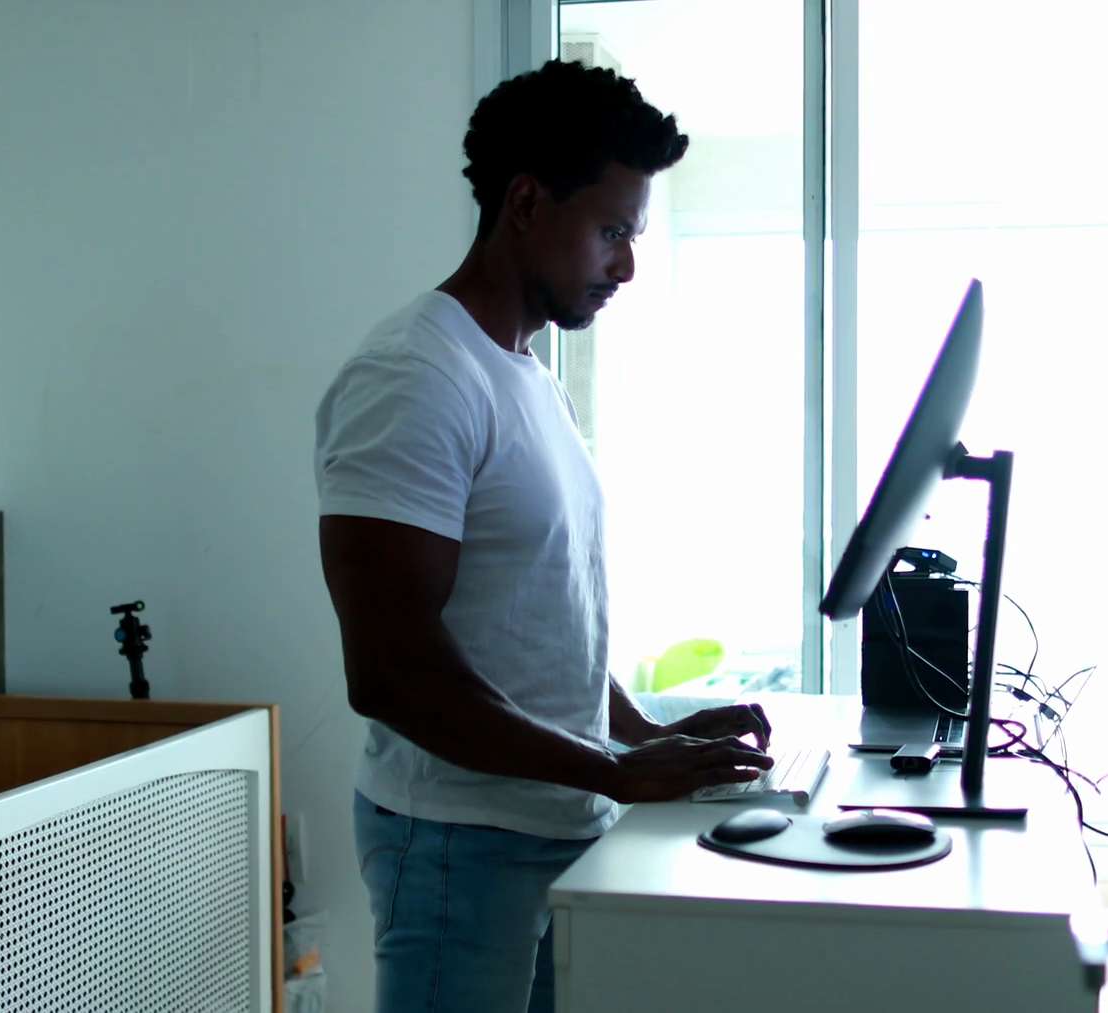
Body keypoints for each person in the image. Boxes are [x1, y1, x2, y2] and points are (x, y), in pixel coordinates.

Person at [314, 60, 776, 1013]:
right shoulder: (415, 376)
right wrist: (611, 767)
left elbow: (533, 621)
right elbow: (391, 669)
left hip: (548, 821)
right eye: (612, 231)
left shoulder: (528, 377)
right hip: (459, 840)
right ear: (525, 201)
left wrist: (644, 733)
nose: (627, 264)